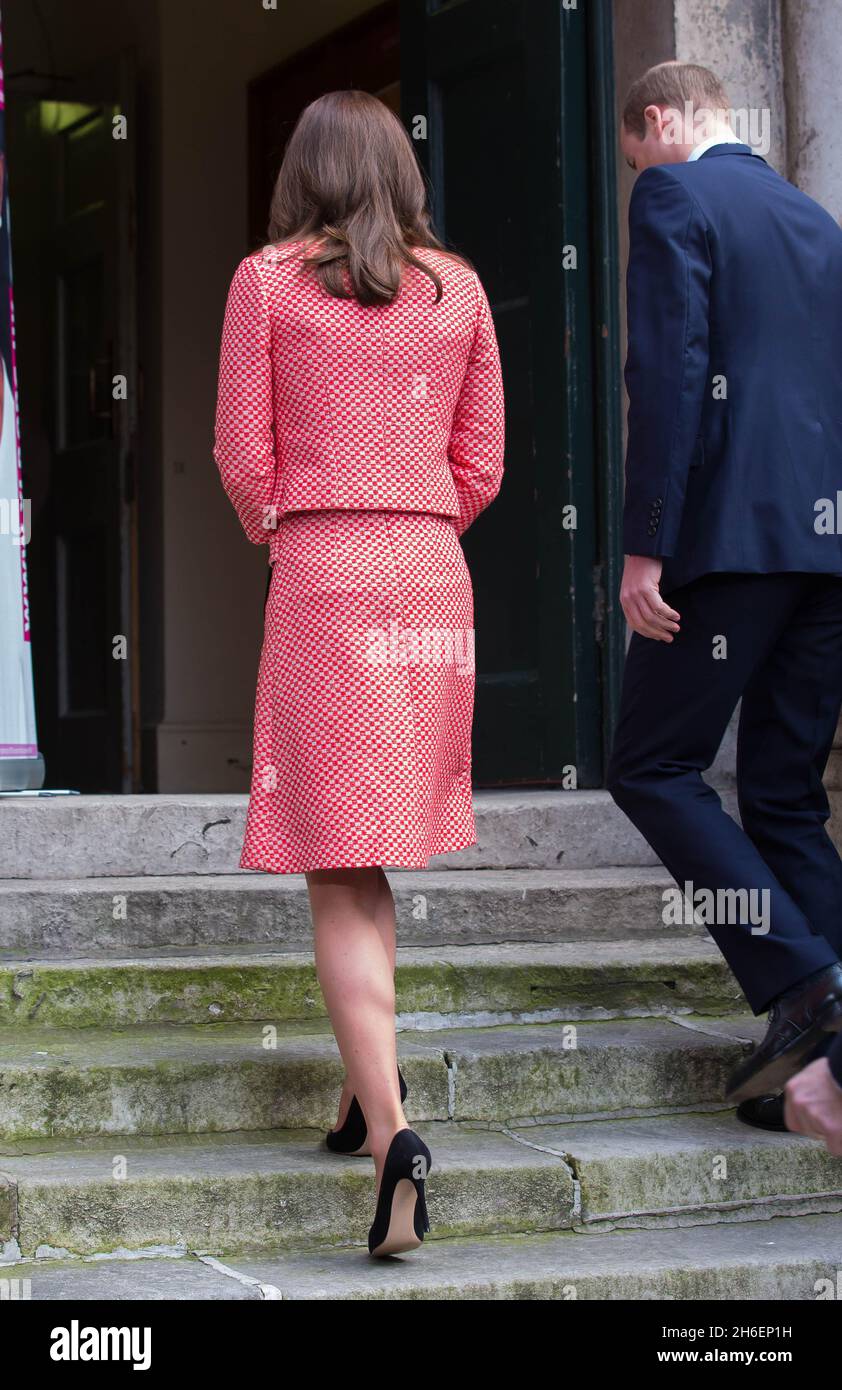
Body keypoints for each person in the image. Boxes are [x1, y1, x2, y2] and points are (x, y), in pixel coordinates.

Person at [213, 90, 504, 1255]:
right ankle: (358, 1081)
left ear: (302, 172)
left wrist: (290, 524)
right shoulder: (460, 289)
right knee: (370, 846)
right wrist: (418, 520)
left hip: (326, 568)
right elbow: (479, 460)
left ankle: (392, 1136)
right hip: (431, 574)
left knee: (336, 865)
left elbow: (243, 456)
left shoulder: (266, 281)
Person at [606, 61, 842, 1130]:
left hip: (729, 544)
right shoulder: (812, 218)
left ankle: (799, 983)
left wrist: (643, 547)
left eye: (632, 152)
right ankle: (826, 1040)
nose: (635, 174)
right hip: (825, 550)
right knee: (785, 795)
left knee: (649, 764)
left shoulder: (673, 195)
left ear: (659, 120)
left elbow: (667, 374)